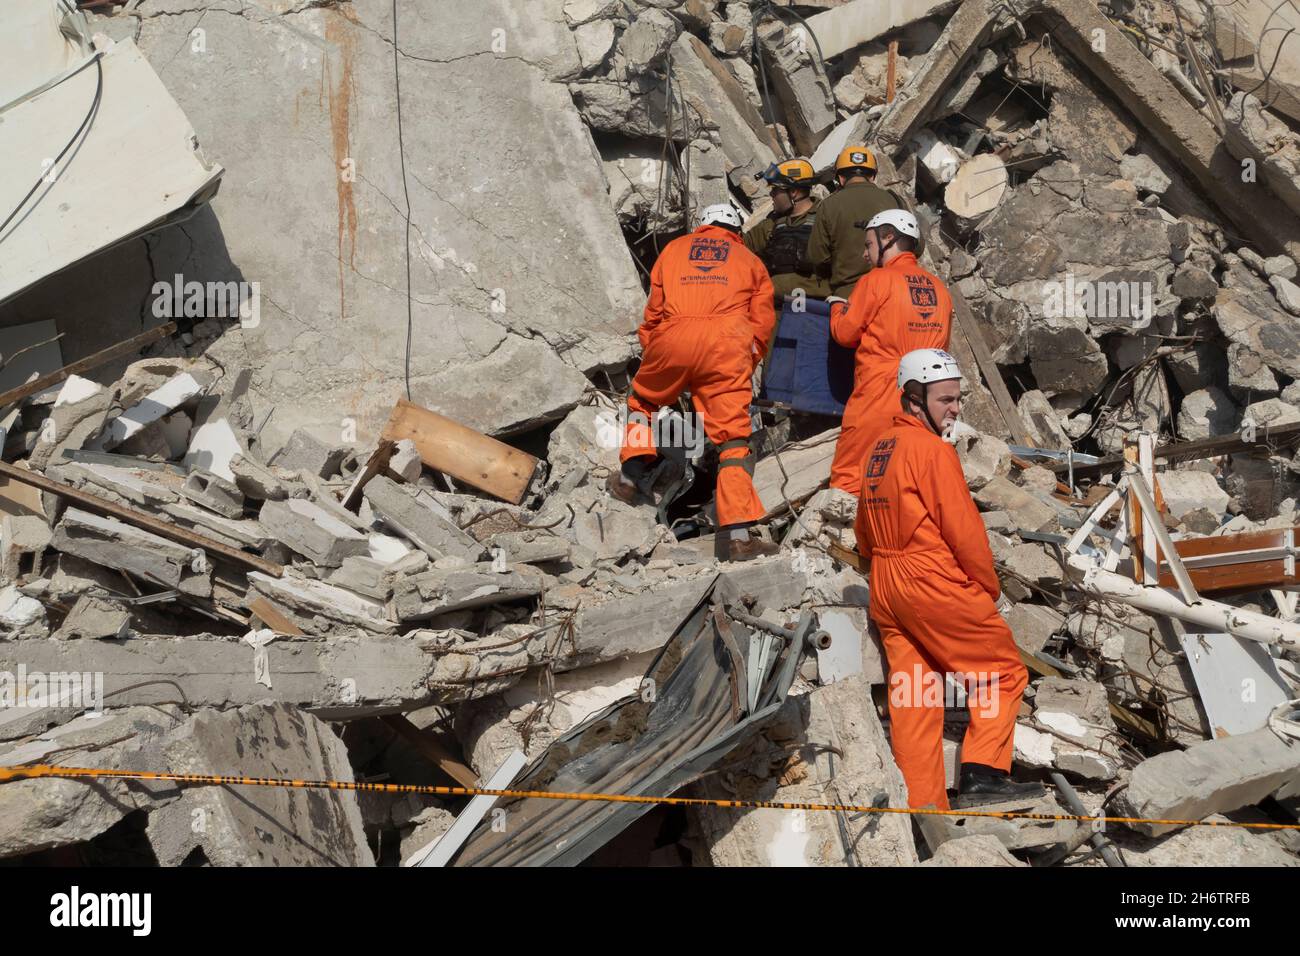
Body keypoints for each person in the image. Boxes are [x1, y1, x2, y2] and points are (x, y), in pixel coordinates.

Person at [853, 349, 1041, 810]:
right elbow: (965, 531)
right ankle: (984, 775)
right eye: (946, 400)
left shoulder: (879, 449)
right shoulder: (932, 451)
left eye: (958, 399)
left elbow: (862, 531)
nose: (955, 408)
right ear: (914, 398)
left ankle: (924, 810)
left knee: (915, 695)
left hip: (886, 582)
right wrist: (986, 588)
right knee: (1001, 674)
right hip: (931, 580)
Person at [608, 203, 779, 561]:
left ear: (702, 225)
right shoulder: (749, 260)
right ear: (736, 231)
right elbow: (762, 323)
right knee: (733, 439)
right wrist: (745, 358)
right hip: (727, 345)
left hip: (675, 336)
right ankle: (738, 537)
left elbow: (653, 311)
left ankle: (629, 477)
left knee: (643, 402)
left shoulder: (673, 250)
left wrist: (661, 353)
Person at [826, 209, 951, 497]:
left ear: (888, 237)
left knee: (850, 480)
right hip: (926, 397)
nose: (865, 255)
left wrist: (837, 308)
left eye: (869, 245)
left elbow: (845, 334)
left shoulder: (876, 281)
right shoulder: (939, 289)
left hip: (879, 392)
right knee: (909, 479)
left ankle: (842, 536)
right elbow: (942, 349)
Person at [805, 145, 899, 299]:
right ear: (872, 176)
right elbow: (917, 246)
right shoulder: (893, 200)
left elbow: (817, 257)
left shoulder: (828, 205)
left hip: (849, 294)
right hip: (891, 290)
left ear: (841, 178)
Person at [744, 159, 831, 300]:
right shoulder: (772, 224)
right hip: (776, 308)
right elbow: (741, 245)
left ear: (794, 192)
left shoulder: (827, 218)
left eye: (775, 190)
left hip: (816, 309)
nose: (771, 195)